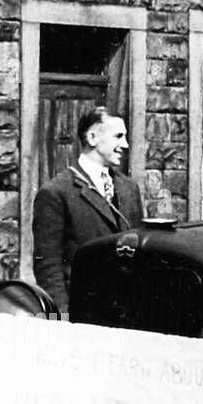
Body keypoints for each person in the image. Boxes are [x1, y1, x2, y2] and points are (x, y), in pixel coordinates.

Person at [32, 107, 144, 315]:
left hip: (128, 314)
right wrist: (62, 319)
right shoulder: (56, 192)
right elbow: (48, 267)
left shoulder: (130, 189)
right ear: (92, 137)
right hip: (83, 313)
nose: (126, 145)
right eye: (118, 136)